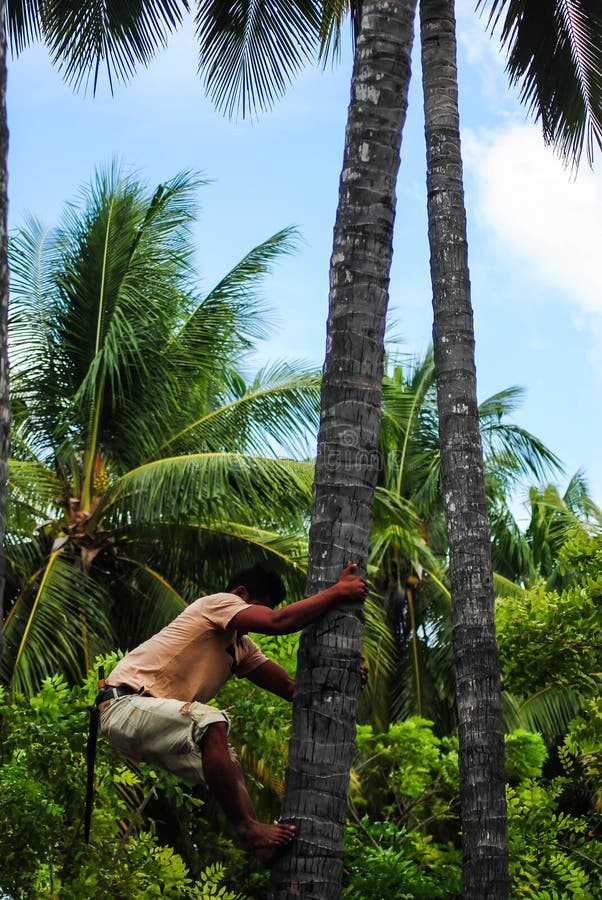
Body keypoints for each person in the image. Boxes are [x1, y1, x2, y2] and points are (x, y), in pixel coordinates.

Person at [98, 561, 368, 863]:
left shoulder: (242, 648)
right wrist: (337, 592)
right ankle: (247, 828)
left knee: (229, 763)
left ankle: (256, 844)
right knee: (211, 720)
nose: (260, 618)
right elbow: (278, 622)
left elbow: (293, 689)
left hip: (143, 721)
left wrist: (343, 675)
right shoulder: (218, 603)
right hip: (124, 705)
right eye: (260, 607)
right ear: (241, 594)